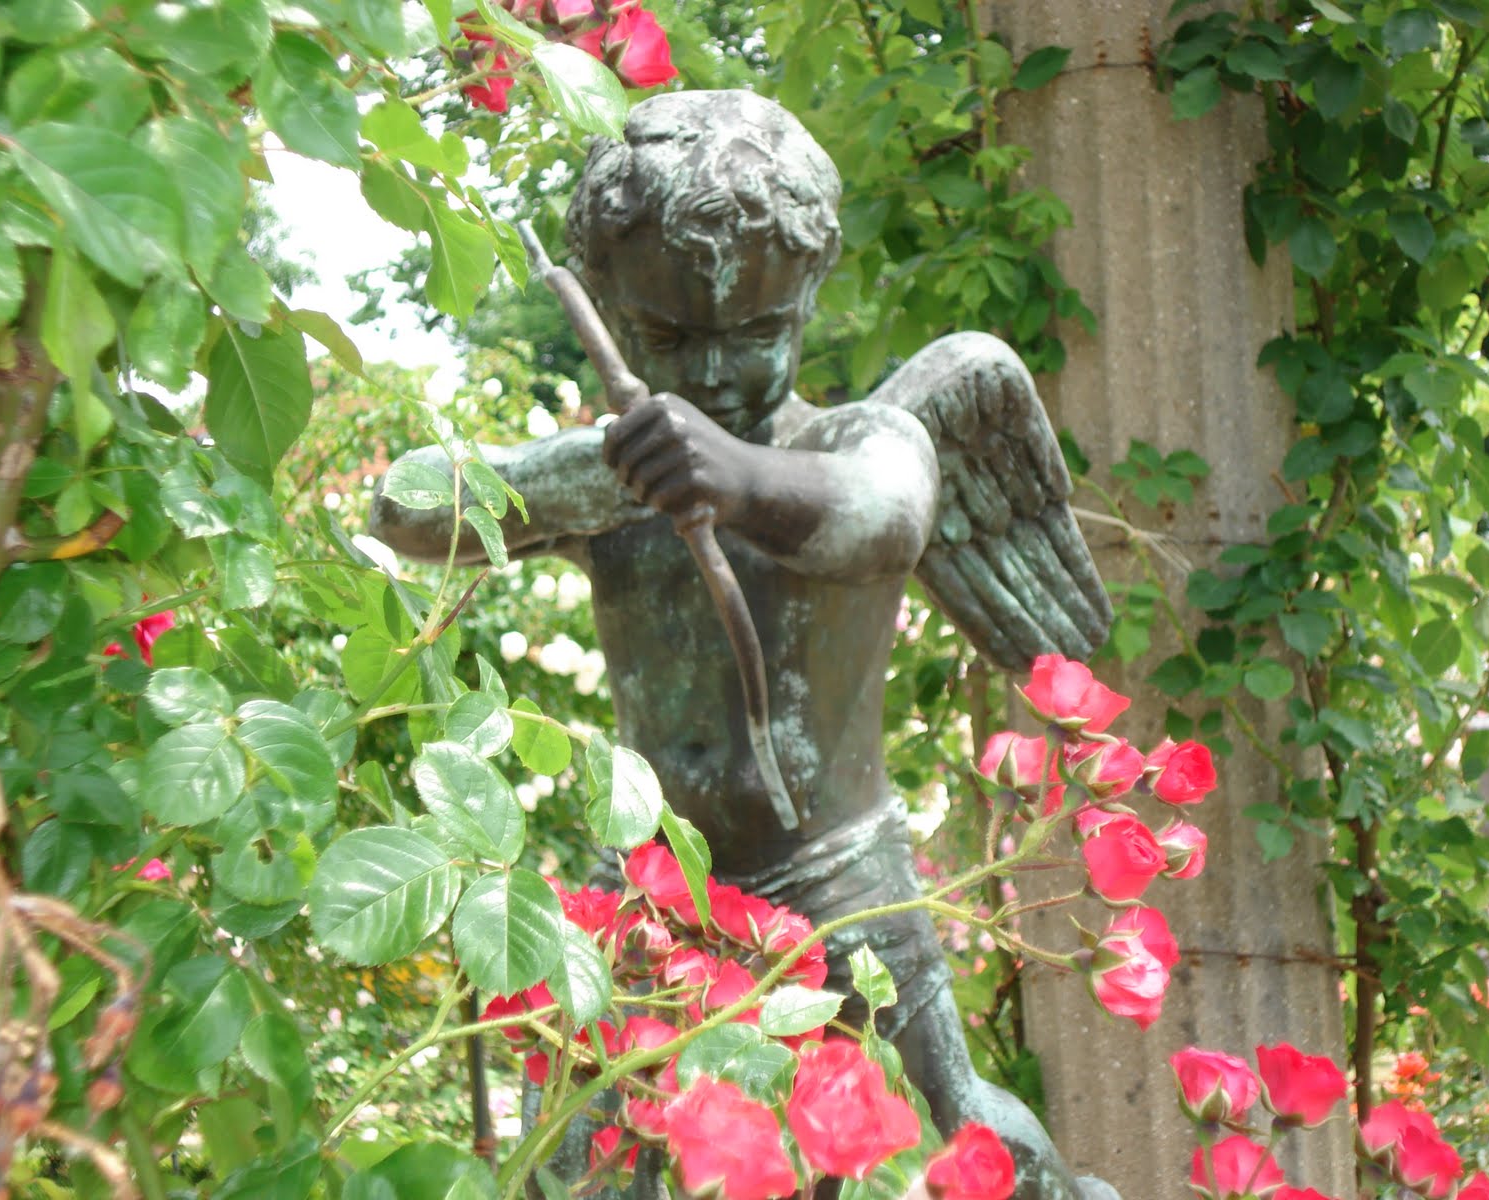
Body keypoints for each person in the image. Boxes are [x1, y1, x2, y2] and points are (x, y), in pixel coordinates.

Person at [372, 89, 1116, 1200]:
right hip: (653, 891)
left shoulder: (863, 441)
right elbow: (404, 507)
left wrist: (735, 477)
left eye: (757, 334)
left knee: (949, 1132)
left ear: (808, 299)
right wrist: (578, 478)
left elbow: (883, 513)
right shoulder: (618, 472)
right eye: (668, 339)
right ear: (613, 314)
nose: (715, 375)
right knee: (574, 1156)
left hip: (840, 880)